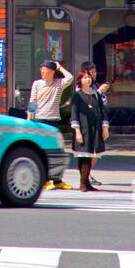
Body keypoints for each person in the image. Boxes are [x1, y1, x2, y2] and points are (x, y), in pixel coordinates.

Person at [27, 60, 73, 190]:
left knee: (57, 151)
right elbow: (33, 101)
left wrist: (60, 67)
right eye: (41, 69)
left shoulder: (59, 83)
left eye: (45, 69)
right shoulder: (37, 84)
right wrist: (29, 120)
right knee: (42, 151)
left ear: (52, 72)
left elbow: (70, 78)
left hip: (53, 121)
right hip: (39, 121)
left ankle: (58, 180)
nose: (42, 71)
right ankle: (45, 180)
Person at [70, 67, 108, 193]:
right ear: (80, 80)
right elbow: (74, 114)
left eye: (89, 77)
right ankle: (83, 183)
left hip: (95, 128)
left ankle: (86, 182)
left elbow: (102, 112)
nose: (87, 80)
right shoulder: (77, 95)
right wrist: (77, 131)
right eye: (85, 77)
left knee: (91, 154)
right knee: (84, 155)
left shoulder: (96, 94)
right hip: (83, 127)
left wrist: (105, 128)